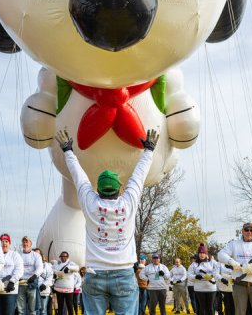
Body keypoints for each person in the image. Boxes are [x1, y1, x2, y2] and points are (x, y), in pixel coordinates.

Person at [54, 128, 159, 315]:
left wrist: (67, 150)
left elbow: (79, 178)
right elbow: (138, 176)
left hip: (95, 273)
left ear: (98, 189)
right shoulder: (129, 202)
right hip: (124, 272)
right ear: (119, 189)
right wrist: (149, 150)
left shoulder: (89, 202)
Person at [0, 234, 24, 315]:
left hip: (10, 291)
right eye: (2, 242)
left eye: (6, 241)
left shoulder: (15, 255)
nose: (4, 243)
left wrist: (12, 281)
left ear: (9, 243)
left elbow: (19, 269)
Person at [188, 243, 220, 315]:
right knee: (201, 307)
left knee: (210, 308)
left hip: (211, 289)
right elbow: (189, 276)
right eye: (200, 253)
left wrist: (211, 275)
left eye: (203, 253)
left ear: (206, 254)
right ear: (198, 254)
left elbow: (217, 271)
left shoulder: (212, 262)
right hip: (199, 289)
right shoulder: (194, 264)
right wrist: (195, 277)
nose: (201, 255)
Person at [18, 236, 43, 315]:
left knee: (32, 309)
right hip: (20, 284)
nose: (25, 244)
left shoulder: (36, 255)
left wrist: (34, 276)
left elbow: (40, 267)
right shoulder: (18, 255)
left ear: (31, 243)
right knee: (20, 309)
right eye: (24, 242)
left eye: (27, 242)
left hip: (31, 284)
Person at [34, 249, 54, 315]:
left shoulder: (47, 265)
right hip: (33, 290)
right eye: (35, 253)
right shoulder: (32, 265)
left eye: (39, 254)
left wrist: (44, 284)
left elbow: (50, 277)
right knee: (35, 309)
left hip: (43, 290)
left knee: (43, 310)